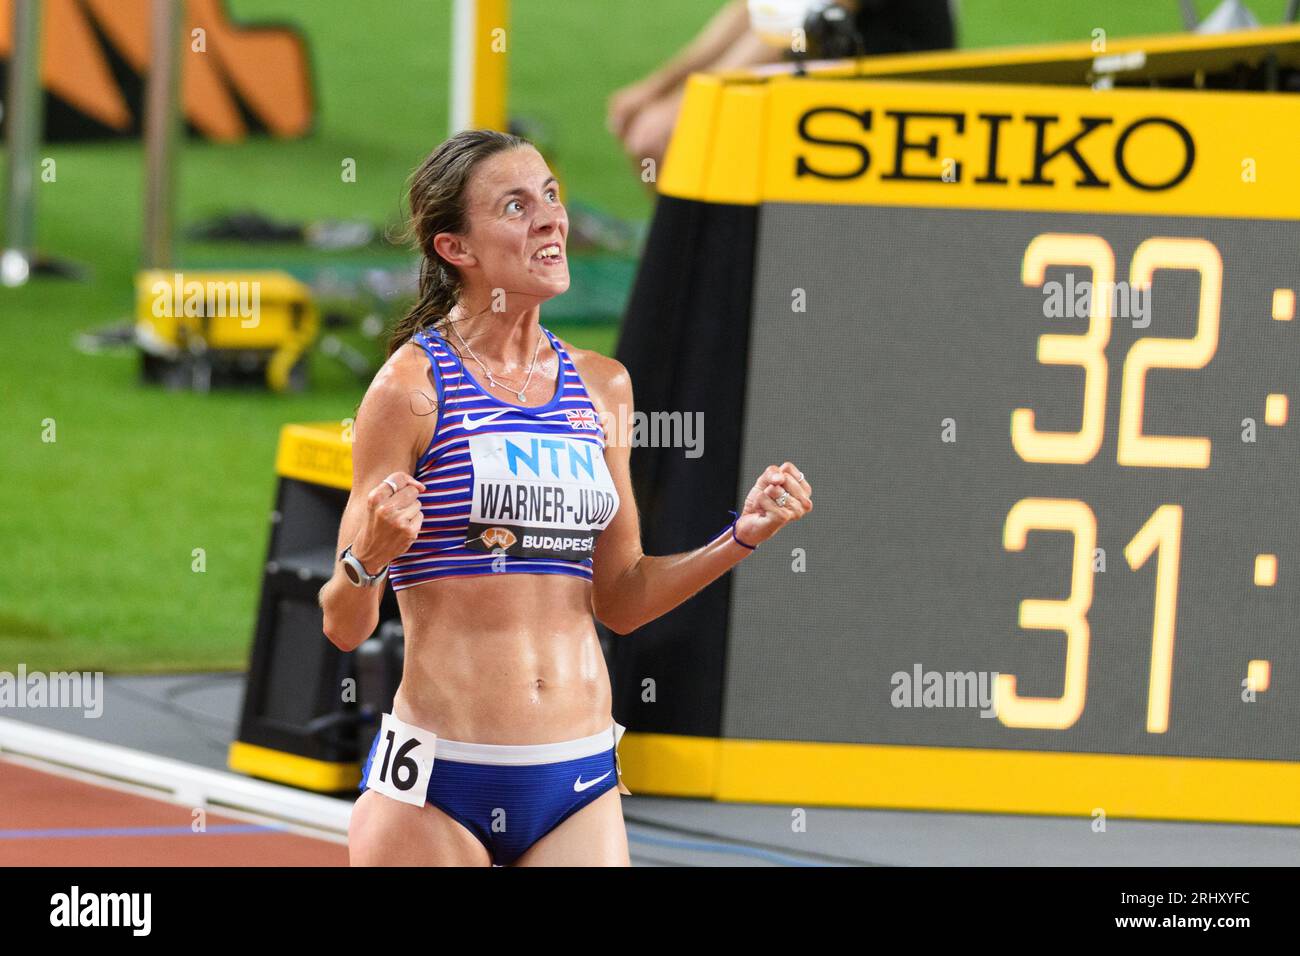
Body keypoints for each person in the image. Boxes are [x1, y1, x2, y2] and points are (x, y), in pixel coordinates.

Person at [320, 128, 813, 867]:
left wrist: (739, 536)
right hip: (437, 782)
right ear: (458, 248)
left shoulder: (602, 385)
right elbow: (342, 625)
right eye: (516, 206)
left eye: (550, 195)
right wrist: (369, 559)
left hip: (577, 779)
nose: (552, 218)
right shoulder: (410, 389)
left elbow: (622, 596)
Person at [608, 0, 956, 174]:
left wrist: (692, 103)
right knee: (658, 140)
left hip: (890, 117)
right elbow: (758, 10)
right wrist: (659, 87)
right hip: (830, 101)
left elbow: (796, 28)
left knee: (672, 142)